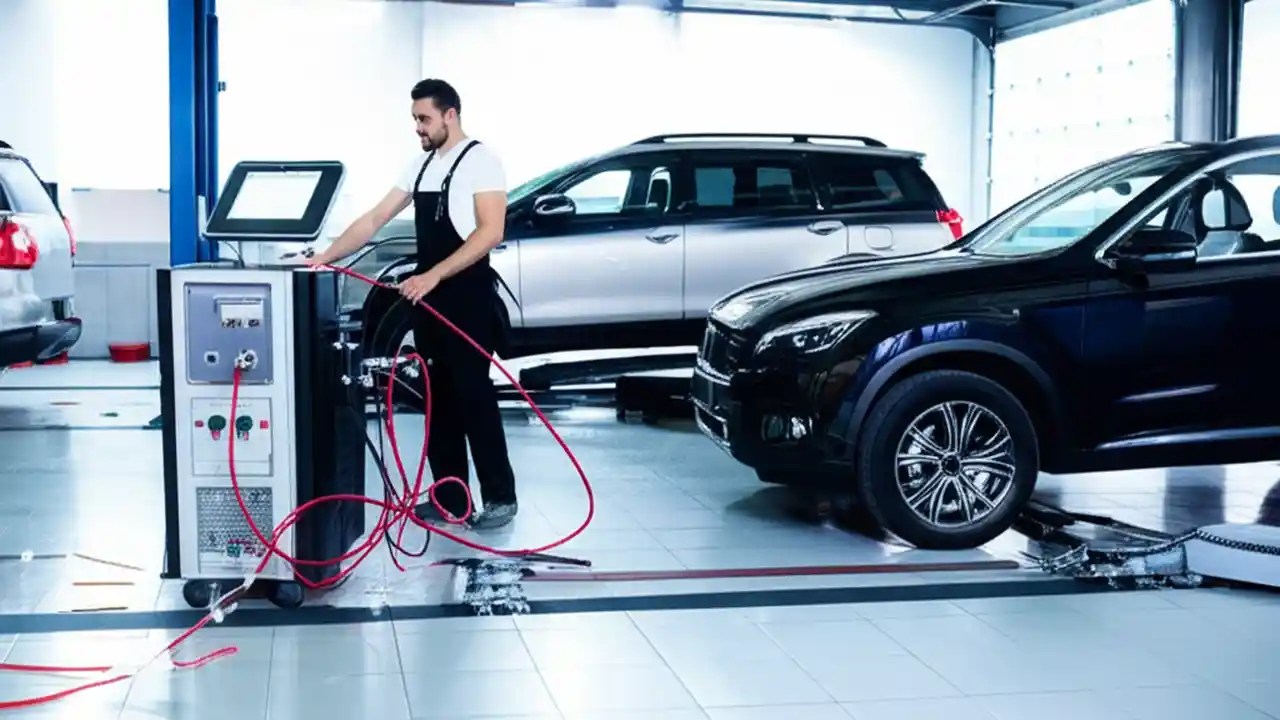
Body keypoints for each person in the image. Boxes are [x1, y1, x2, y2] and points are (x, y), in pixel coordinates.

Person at [308, 78, 518, 530]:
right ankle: (451, 498)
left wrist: (434, 274)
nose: (418, 129)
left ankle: (500, 498)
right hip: (430, 299)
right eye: (414, 120)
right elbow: (374, 218)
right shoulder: (423, 165)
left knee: (473, 396)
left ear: (450, 115)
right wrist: (325, 256)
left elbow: (491, 231)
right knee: (436, 396)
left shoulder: (482, 160)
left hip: (467, 297)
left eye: (424, 119)